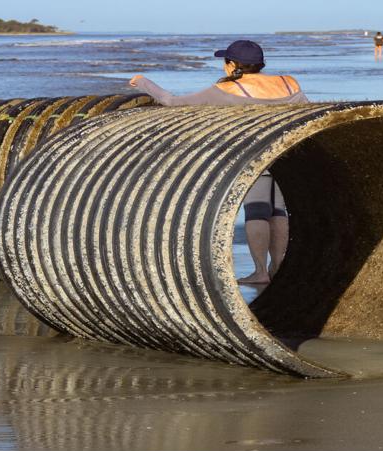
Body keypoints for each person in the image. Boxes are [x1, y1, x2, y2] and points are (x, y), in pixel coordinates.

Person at [130, 40, 308, 286]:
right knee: (278, 212)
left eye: (225, 61)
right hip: (290, 154)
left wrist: (142, 82)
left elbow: (174, 103)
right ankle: (277, 267)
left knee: (257, 211)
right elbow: (305, 114)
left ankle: (260, 272)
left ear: (232, 64)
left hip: (255, 156)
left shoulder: (229, 90)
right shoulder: (290, 82)